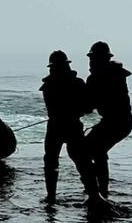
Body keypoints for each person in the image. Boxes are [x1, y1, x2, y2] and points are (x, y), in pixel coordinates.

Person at [40, 50, 104, 205]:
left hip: (55, 126)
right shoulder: (78, 83)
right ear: (67, 65)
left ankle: (51, 197)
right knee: (83, 161)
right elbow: (88, 107)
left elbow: (52, 109)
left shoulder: (47, 86)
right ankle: (94, 195)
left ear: (52, 67)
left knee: (51, 162)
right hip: (73, 125)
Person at [84, 41, 132, 199]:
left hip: (115, 122)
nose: (91, 62)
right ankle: (99, 188)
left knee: (89, 151)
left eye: (93, 59)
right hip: (121, 121)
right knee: (95, 151)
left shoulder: (96, 78)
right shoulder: (116, 73)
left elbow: (88, 105)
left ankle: (98, 189)